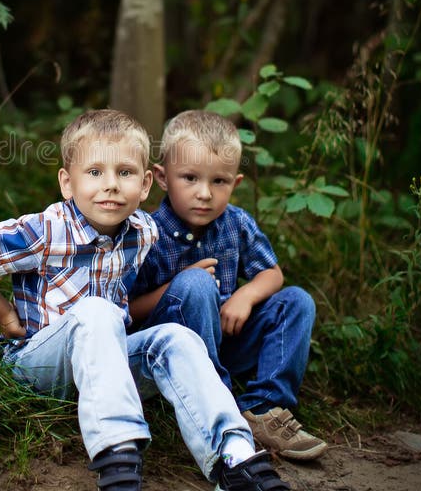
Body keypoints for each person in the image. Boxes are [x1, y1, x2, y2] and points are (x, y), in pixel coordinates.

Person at [0, 109, 309, 491]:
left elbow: (130, 307)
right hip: (40, 364)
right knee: (96, 312)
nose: (111, 185)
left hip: (106, 363)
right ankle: (117, 456)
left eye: (125, 172)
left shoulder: (142, 233)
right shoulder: (45, 229)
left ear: (146, 183)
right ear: (67, 182)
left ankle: (236, 459)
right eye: (95, 171)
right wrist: (4, 313)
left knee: (174, 337)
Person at [129, 109, 327, 462]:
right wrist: (180, 285)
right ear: (161, 177)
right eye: (189, 178)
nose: (204, 193)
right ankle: (215, 405)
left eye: (218, 182)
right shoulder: (146, 232)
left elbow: (272, 274)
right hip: (171, 355)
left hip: (225, 338)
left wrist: (245, 296)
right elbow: (126, 309)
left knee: (296, 301)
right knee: (195, 284)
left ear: (234, 184)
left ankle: (263, 409)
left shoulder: (236, 223)